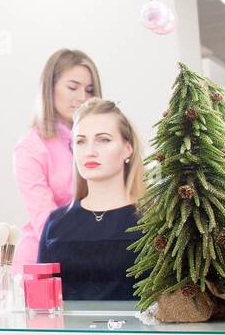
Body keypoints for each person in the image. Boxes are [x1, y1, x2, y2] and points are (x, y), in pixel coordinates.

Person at [38, 98, 146, 301]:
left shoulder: (153, 222)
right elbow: (43, 309)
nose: (90, 151)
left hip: (139, 333)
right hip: (70, 333)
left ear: (127, 149)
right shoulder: (56, 224)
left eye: (103, 140)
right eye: (80, 141)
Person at [12, 48, 104, 267]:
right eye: (73, 87)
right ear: (49, 88)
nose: (82, 97)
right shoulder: (30, 148)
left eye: (89, 90)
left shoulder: (101, 140)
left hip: (94, 253)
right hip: (45, 261)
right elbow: (47, 222)